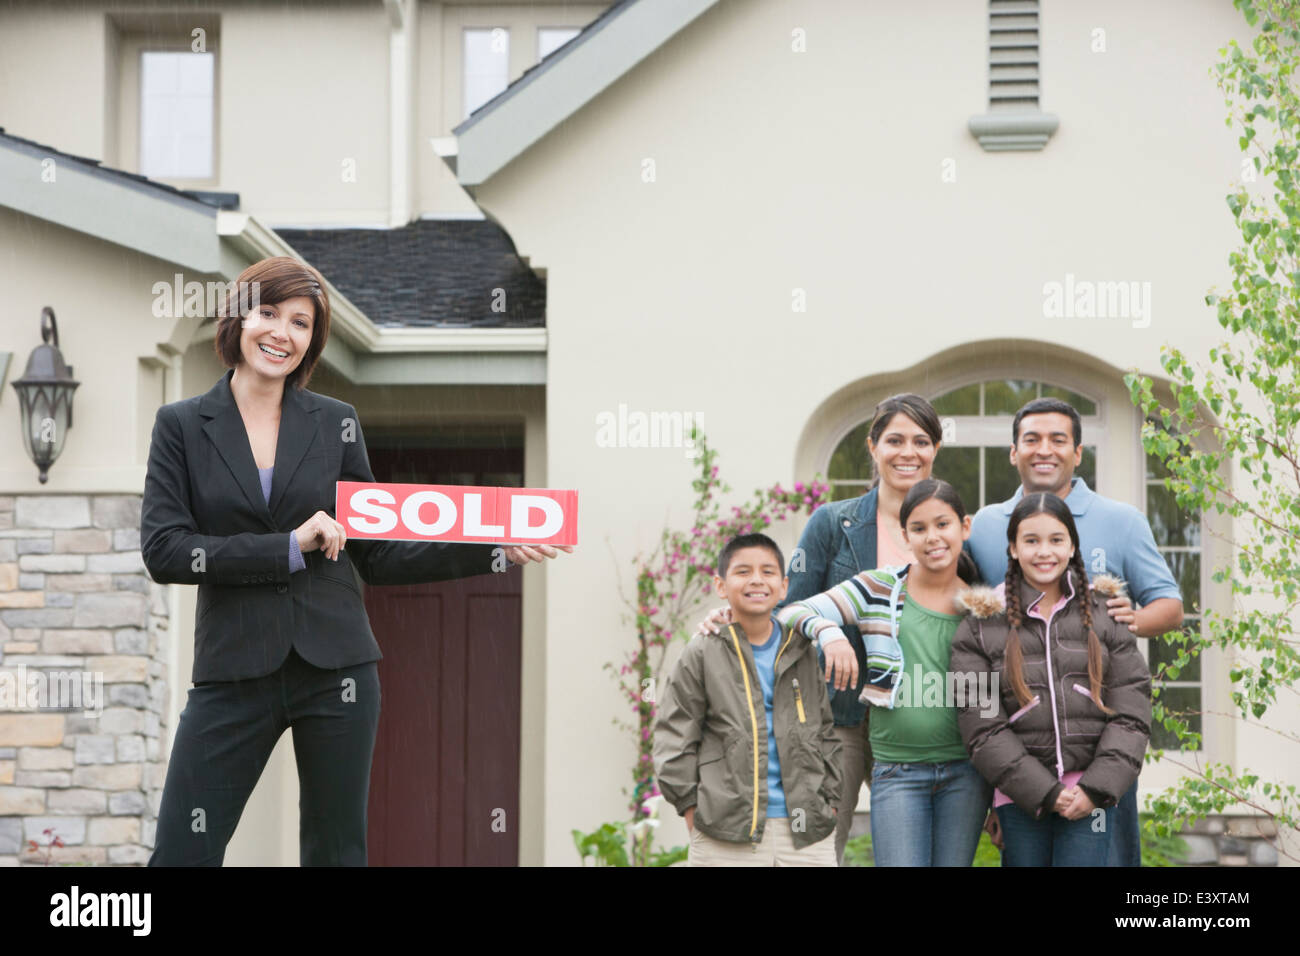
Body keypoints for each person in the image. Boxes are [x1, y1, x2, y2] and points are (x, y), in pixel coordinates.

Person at [140, 256, 568, 866]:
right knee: (183, 850)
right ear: (237, 317)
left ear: (313, 339)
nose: (281, 333)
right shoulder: (181, 425)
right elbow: (165, 549)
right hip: (233, 671)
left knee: (336, 852)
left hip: (336, 670)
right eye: (267, 313)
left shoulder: (335, 423)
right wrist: (289, 546)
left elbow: (381, 553)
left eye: (300, 322)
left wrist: (495, 550)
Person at [695, 393, 944, 864]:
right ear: (872, 447)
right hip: (840, 720)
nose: (907, 452)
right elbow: (787, 610)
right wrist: (734, 615)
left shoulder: (946, 526)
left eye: (921, 441)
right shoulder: (833, 523)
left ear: (935, 450)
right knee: (819, 848)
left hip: (920, 722)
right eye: (894, 439)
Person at [966, 397, 1182, 866]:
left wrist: (1122, 622)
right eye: (1032, 440)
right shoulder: (985, 526)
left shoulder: (1121, 520)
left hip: (1100, 747)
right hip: (1019, 758)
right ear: (1013, 451)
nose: (1045, 450)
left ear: (1078, 452)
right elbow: (975, 632)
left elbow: (1170, 607)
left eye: (1058, 440)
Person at [777, 479, 990, 866]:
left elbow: (999, 698)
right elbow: (792, 612)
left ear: (965, 527)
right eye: (920, 529)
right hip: (897, 771)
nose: (933, 538)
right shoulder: (879, 588)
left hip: (966, 775)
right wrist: (829, 633)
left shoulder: (984, 603)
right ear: (905, 535)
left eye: (943, 525)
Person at [951, 493, 1152, 866]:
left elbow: (1132, 711)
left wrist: (1094, 788)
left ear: (1072, 545)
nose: (1045, 552)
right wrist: (1045, 791)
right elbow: (981, 728)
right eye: (1031, 540)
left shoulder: (1105, 614)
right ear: (1012, 548)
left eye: (1056, 540)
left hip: (1091, 797)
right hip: (1021, 798)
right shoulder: (978, 627)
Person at [654, 533, 841, 866]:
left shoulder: (802, 652)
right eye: (743, 571)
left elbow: (825, 730)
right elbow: (674, 735)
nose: (757, 580)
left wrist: (831, 800)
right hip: (726, 832)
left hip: (804, 828)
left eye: (767, 572)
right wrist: (691, 809)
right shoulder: (702, 652)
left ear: (783, 586)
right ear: (721, 586)